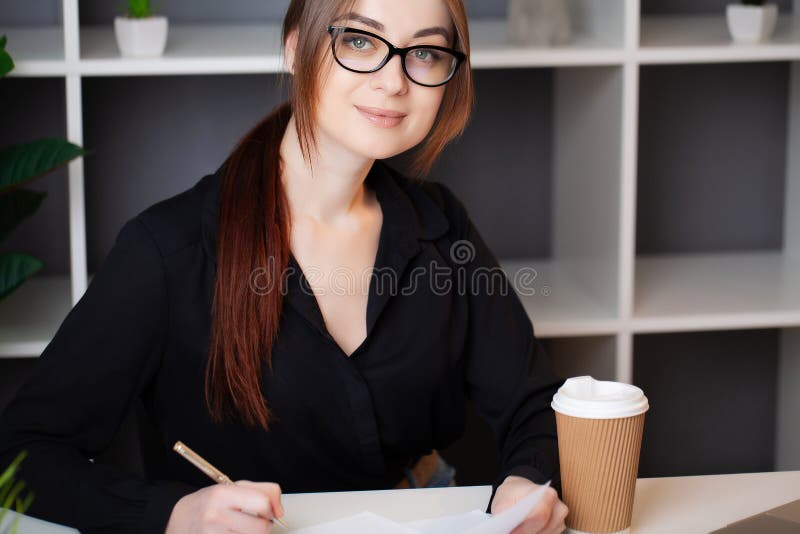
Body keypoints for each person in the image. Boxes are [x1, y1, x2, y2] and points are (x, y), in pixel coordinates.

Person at [0, 0, 569, 532]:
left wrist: (525, 481)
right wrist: (173, 514)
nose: (394, 81)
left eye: (424, 51)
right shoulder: (167, 250)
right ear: (297, 48)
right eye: (361, 41)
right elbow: (20, 452)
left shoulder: (441, 227)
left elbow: (537, 405)